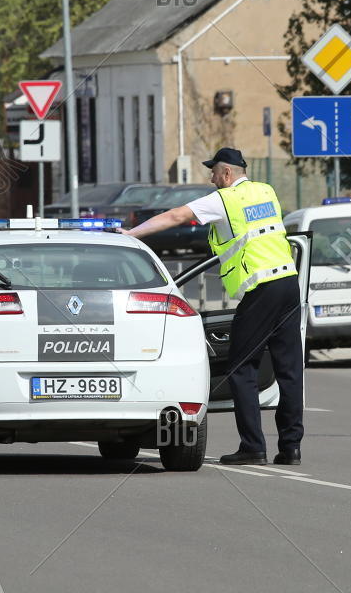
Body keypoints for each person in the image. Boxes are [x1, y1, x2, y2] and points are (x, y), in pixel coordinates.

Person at [124, 147, 303, 466]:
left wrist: (132, 234)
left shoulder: (224, 199)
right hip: (289, 282)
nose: (211, 178)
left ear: (227, 174)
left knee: (240, 367)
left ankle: (253, 447)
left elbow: (176, 216)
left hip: (261, 288)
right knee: (289, 370)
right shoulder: (266, 191)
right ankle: (290, 447)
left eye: (213, 172)